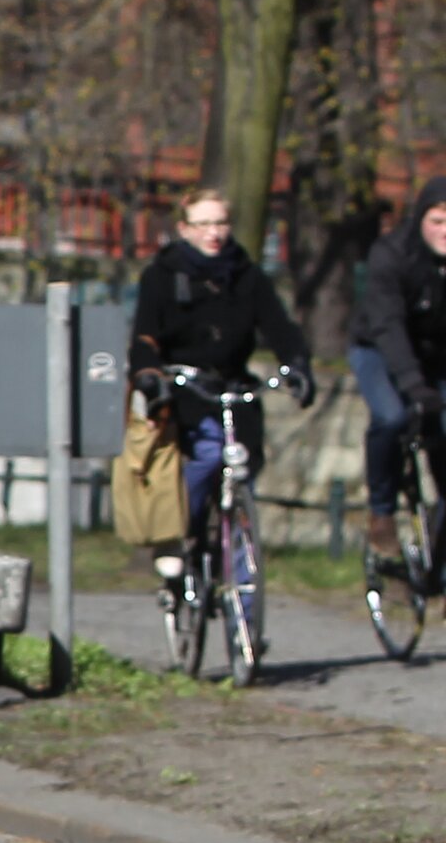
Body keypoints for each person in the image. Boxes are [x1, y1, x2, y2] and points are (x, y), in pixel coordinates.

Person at [127, 189, 314, 581]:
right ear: (184, 229)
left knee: (243, 465)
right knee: (209, 455)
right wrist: (148, 376)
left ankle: (242, 594)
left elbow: (279, 327)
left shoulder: (248, 276)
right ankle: (180, 535)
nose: (213, 232)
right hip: (183, 387)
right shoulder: (162, 276)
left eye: (220, 223)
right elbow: (145, 337)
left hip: (232, 386)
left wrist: (296, 365)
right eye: (203, 224)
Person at [350, 175, 446, 559]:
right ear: (421, 219)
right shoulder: (392, 254)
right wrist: (414, 386)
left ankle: (437, 568)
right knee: (390, 418)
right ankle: (382, 513)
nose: (445, 232)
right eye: (437, 221)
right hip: (380, 349)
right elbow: (387, 325)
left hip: (437, 356)